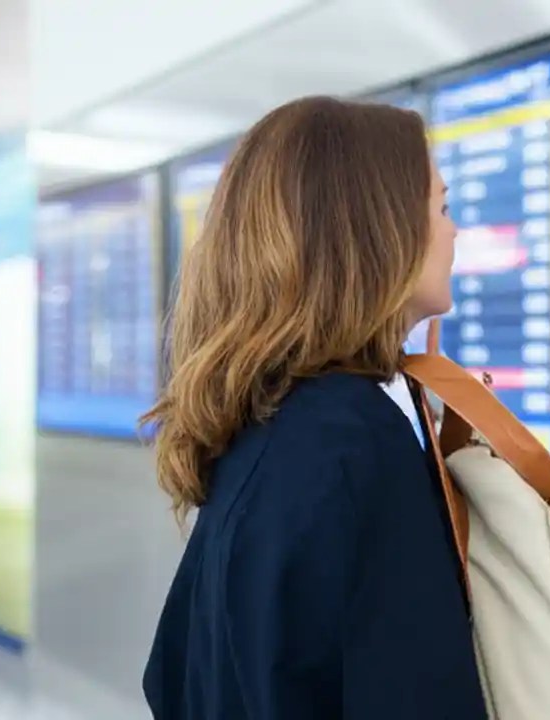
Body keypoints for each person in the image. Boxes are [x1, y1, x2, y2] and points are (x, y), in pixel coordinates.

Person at [140, 96, 486, 719]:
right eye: (441, 207)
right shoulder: (351, 442)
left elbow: (173, 678)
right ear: (375, 230)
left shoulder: (274, 426)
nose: (455, 230)